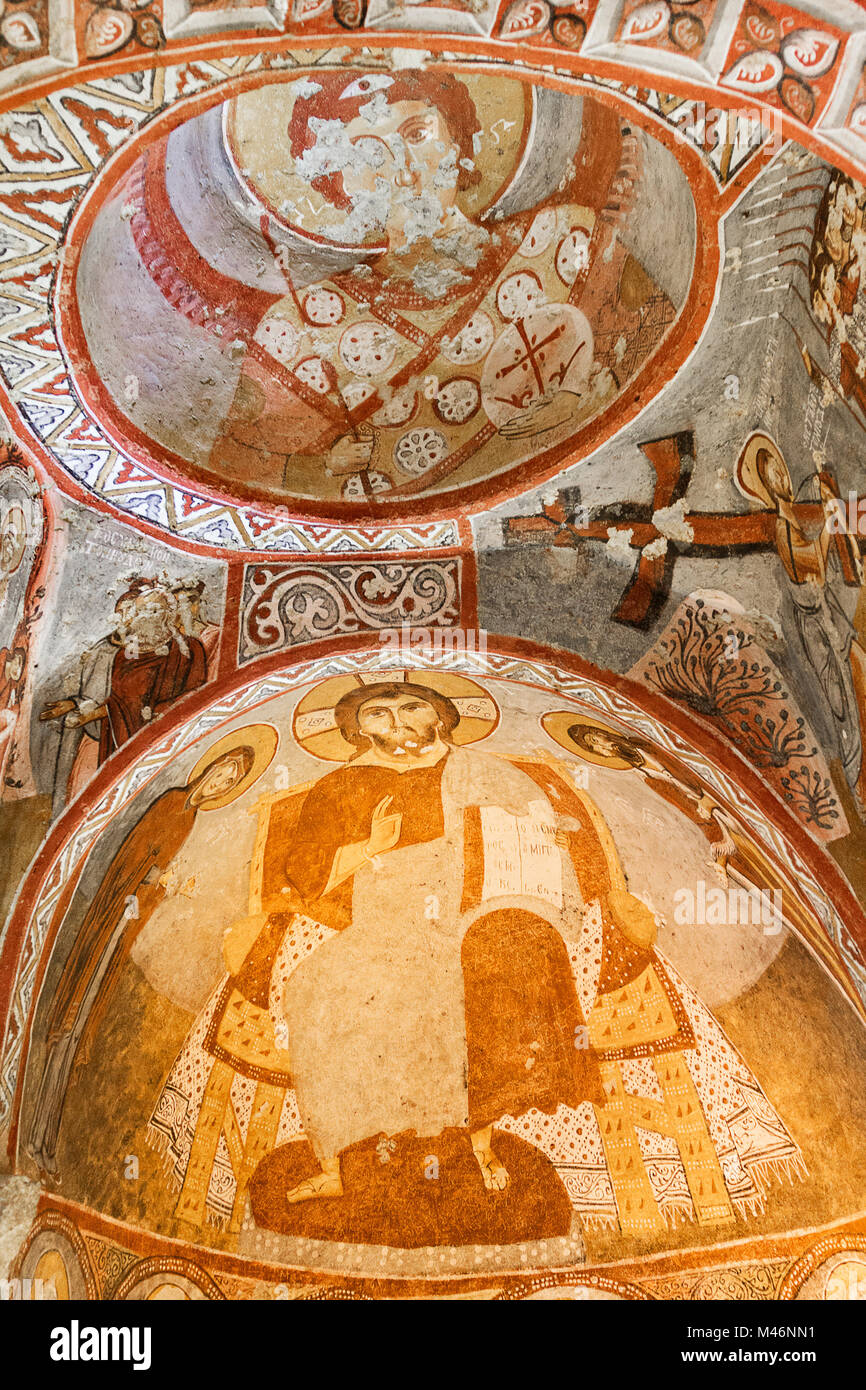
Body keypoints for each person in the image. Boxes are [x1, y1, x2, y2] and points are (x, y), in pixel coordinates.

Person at [27, 737, 269, 1176]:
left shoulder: (191, 818)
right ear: (209, 770)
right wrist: (162, 879)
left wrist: (167, 886)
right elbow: (133, 860)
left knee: (83, 1029)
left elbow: (152, 873)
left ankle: (47, 1140)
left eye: (232, 782)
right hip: (113, 920)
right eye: (223, 773)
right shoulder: (172, 803)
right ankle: (37, 1135)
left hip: (128, 925)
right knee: (72, 1022)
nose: (223, 783)